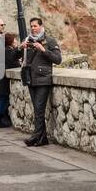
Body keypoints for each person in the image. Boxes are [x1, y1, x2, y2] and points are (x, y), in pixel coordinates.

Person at [23, 17, 61, 146]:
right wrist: (20, 48)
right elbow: (20, 59)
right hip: (31, 79)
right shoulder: (28, 41)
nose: (33, 28)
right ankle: (42, 138)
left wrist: (43, 49)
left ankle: (35, 136)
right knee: (37, 110)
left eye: (35, 26)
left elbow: (57, 59)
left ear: (41, 26)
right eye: (31, 26)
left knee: (39, 109)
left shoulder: (49, 40)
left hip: (44, 80)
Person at [0, 32, 21, 127]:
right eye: (14, 39)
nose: (16, 41)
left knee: (1, 99)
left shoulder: (3, 50)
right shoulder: (8, 51)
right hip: (1, 80)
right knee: (1, 99)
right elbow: (13, 63)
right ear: (10, 41)